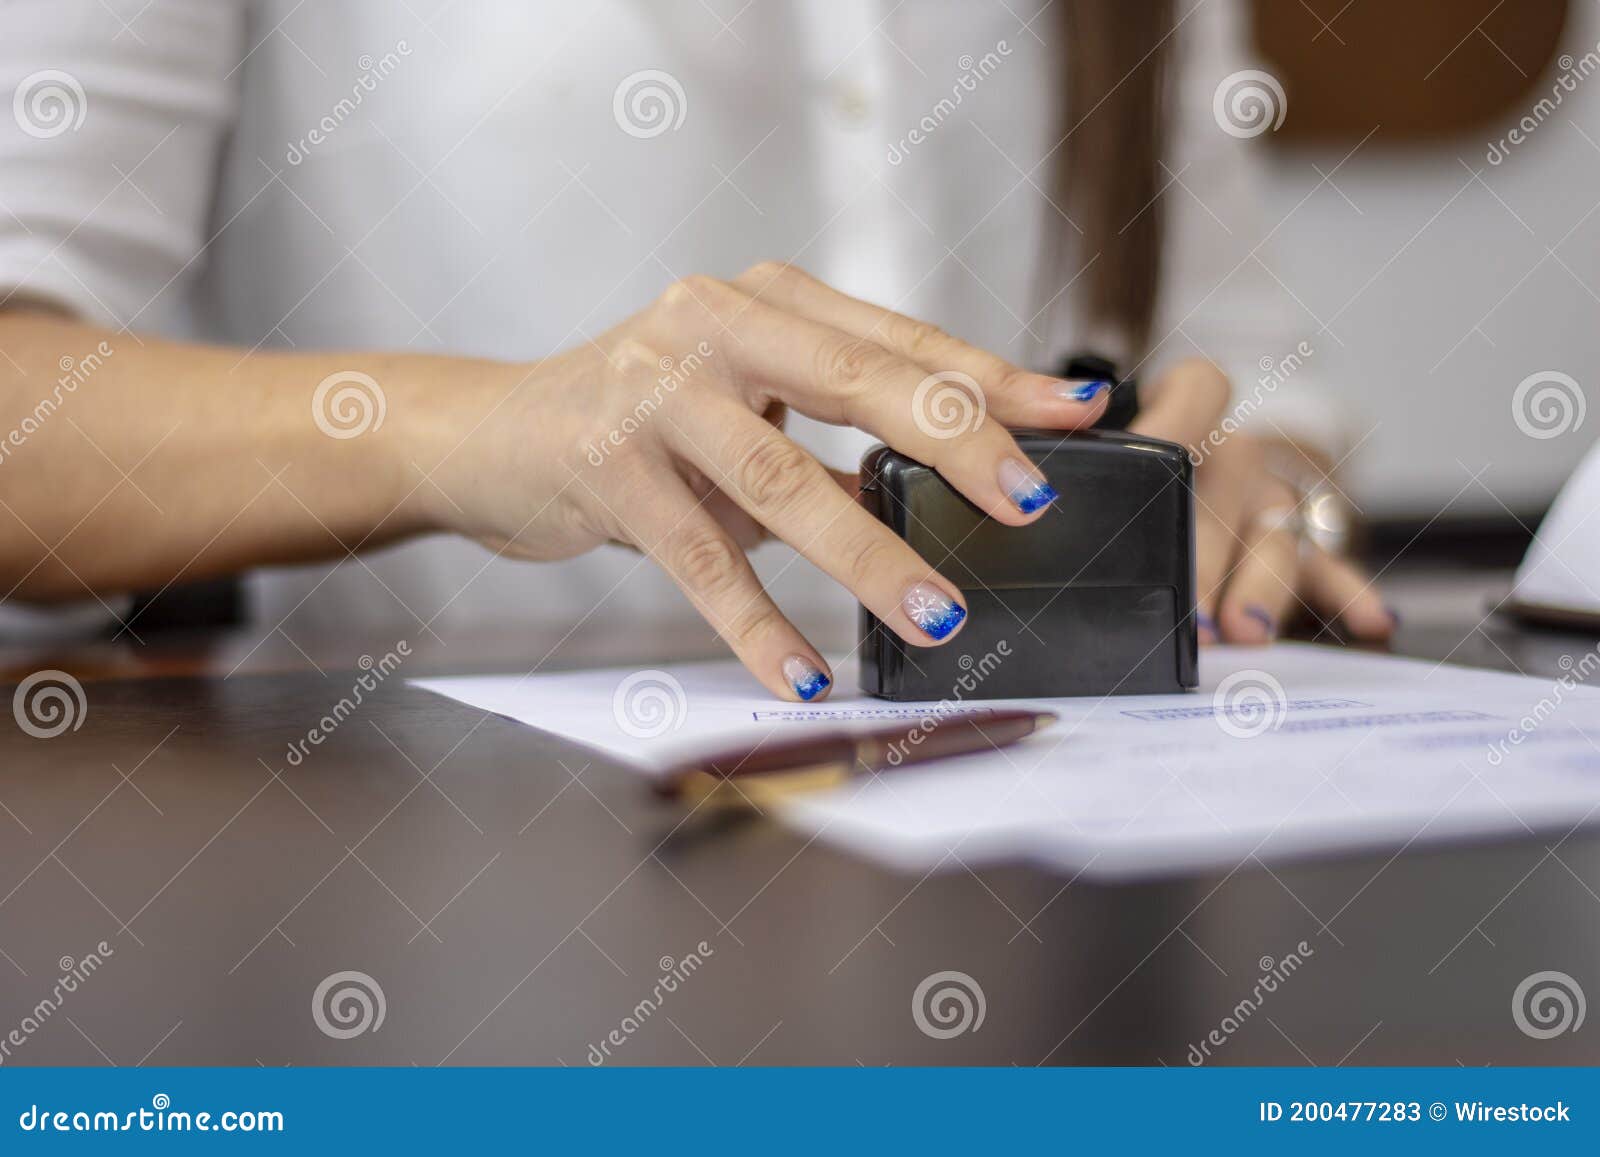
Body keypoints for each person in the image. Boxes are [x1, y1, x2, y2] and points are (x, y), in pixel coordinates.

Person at [0, 0, 1394, 701]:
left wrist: (1259, 486)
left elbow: (1239, 359)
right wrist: (466, 430)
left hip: (1053, 855)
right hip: (453, 876)